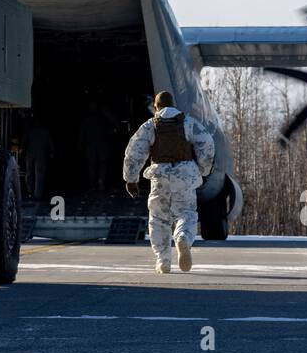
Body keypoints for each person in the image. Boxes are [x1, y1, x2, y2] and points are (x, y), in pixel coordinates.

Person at [123, 90, 215, 274]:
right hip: (185, 175)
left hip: (160, 176)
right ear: (173, 105)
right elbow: (207, 144)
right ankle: (182, 238)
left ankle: (163, 261)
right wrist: (203, 169)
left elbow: (134, 152)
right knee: (187, 213)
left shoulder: (150, 126)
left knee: (158, 220)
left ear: (156, 107)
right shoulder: (188, 122)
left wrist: (131, 179)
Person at [77, 100, 110, 191]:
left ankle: (98, 182)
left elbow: (82, 132)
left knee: (98, 163)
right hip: (93, 144)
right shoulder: (91, 118)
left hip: (98, 143)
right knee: (94, 164)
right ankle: (96, 183)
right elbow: (82, 132)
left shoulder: (101, 116)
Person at [23, 119, 55, 203]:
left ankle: (29, 190)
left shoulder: (30, 131)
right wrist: (52, 152)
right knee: (39, 175)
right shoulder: (46, 131)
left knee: (29, 173)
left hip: (30, 154)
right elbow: (50, 143)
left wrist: (22, 149)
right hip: (41, 154)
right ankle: (38, 194)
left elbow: (24, 141)